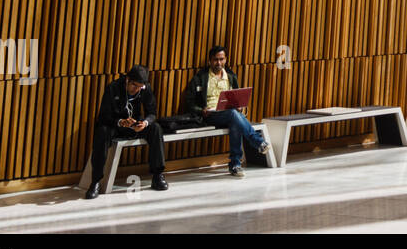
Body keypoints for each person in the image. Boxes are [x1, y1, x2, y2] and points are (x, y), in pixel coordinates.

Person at [183, 45, 272, 177]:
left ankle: (235, 165)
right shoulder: (200, 77)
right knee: (233, 115)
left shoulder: (230, 76)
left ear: (226, 59)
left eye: (221, 59)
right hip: (210, 115)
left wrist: (239, 106)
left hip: (230, 114)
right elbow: (189, 102)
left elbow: (237, 95)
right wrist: (202, 110)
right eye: (215, 60)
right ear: (209, 61)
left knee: (234, 119)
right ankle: (257, 142)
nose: (219, 63)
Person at [85, 64, 168, 198]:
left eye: (140, 87)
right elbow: (103, 116)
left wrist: (144, 123)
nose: (136, 90)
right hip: (116, 125)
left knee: (156, 128)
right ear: (127, 80)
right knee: (102, 132)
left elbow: (152, 113)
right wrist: (120, 122)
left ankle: (158, 175)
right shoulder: (113, 87)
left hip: (135, 124)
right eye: (134, 86)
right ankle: (95, 181)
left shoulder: (145, 89)